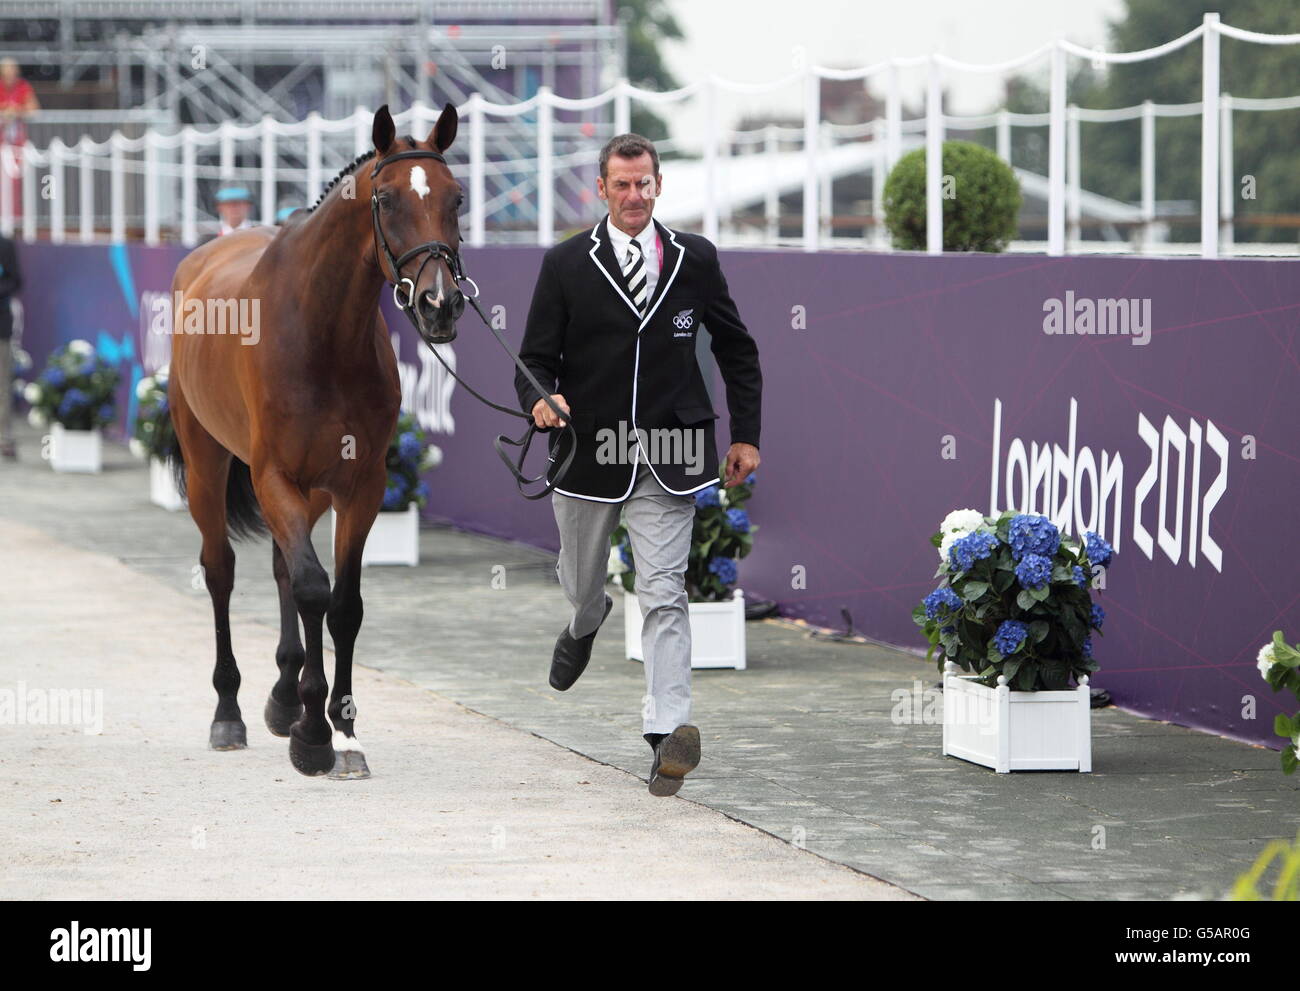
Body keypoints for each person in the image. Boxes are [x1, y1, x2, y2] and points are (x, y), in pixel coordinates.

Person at [515, 133, 762, 797]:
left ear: (659, 185)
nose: (633, 196)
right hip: (589, 452)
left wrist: (748, 435)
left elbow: (738, 351)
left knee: (664, 591)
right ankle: (583, 621)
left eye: (643, 183)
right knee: (583, 581)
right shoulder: (566, 263)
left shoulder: (695, 259)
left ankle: (668, 733)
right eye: (621, 185)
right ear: (601, 189)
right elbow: (533, 359)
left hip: (671, 453)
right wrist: (542, 399)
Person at [0, 59, 37, 222]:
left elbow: (33, 109)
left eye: (12, 71)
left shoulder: (22, 86)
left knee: (16, 183)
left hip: (16, 145)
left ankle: (15, 219)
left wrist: (16, 111)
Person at [0, 230, 22, 460]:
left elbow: (16, 280)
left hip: (0, 325)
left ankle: (4, 438)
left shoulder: (5, 245)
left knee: (2, 385)